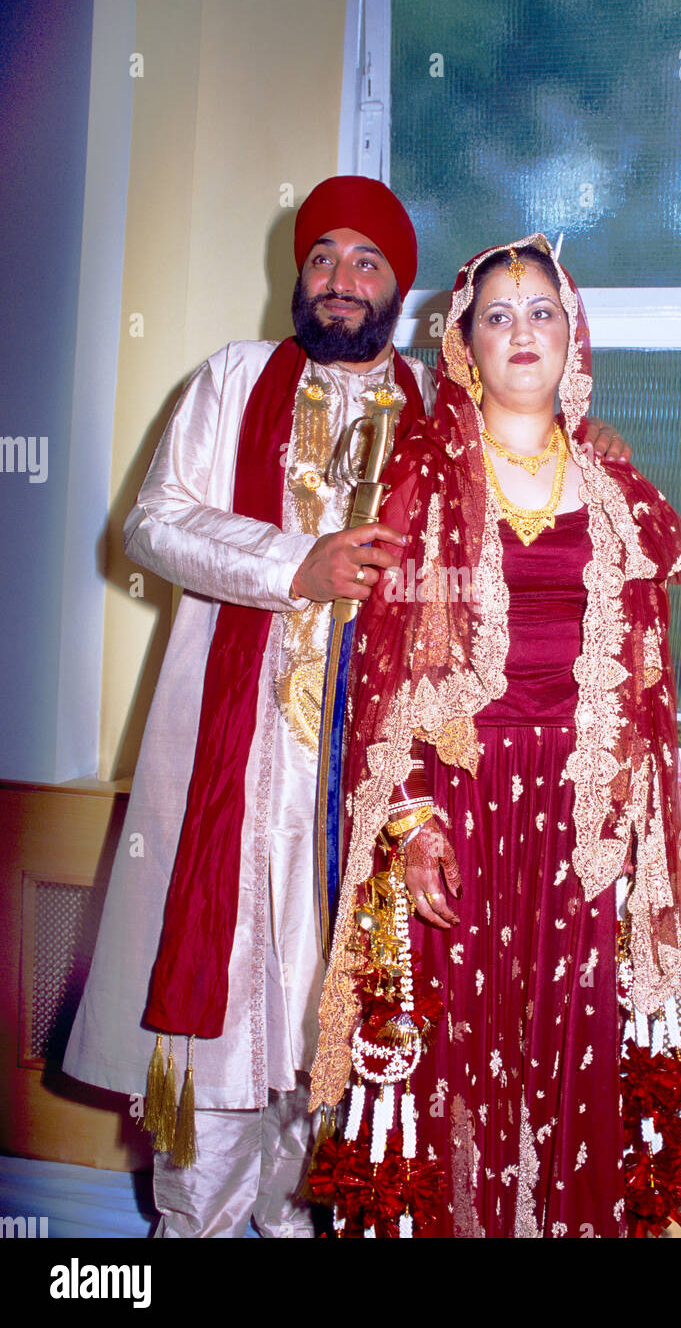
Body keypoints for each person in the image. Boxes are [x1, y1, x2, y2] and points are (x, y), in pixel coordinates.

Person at [62, 180, 630, 1239]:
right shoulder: (233, 381)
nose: (339, 278)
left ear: (400, 285)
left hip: (376, 782)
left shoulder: (438, 411)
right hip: (235, 771)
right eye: (321, 255)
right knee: (225, 1033)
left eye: (366, 260)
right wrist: (296, 563)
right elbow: (153, 523)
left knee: (341, 1035)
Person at [309, 235, 681, 1238]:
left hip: (581, 822)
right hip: (463, 809)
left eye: (542, 311)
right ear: (462, 347)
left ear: (572, 338)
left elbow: (644, 686)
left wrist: (625, 807)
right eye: (497, 313)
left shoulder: (616, 494)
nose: (521, 329)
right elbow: (388, 679)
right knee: (452, 1056)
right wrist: (409, 819)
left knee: (571, 1058)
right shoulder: (426, 482)